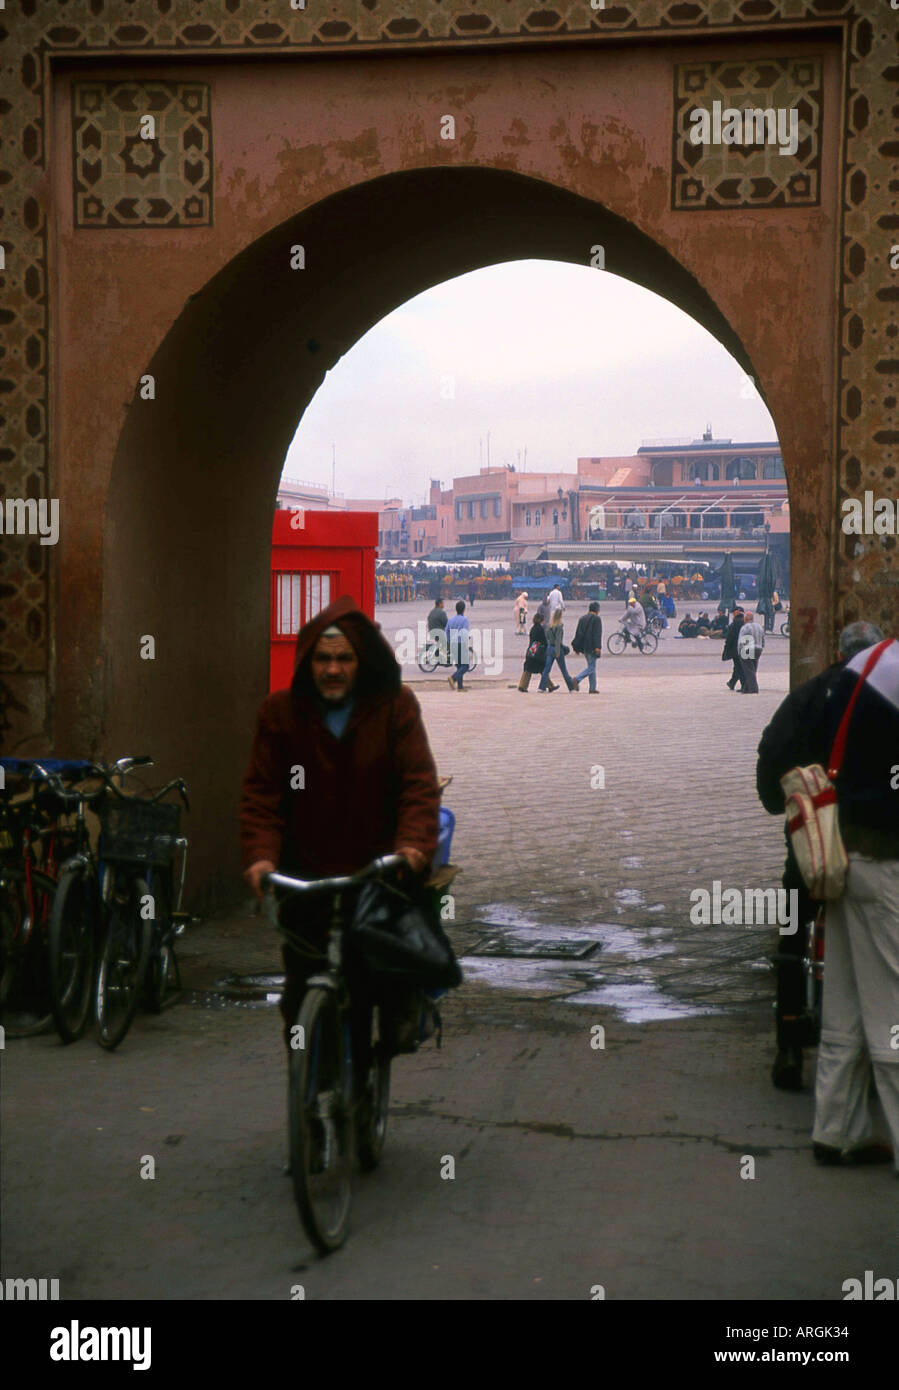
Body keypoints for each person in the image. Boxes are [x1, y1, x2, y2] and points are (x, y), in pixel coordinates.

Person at [240, 596, 440, 1066]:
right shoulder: (279, 714)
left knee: (374, 981)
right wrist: (261, 856)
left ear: (361, 661)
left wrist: (411, 847)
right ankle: (308, 1100)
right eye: (323, 659)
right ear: (308, 662)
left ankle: (373, 1073)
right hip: (305, 877)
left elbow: (418, 786)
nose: (333, 669)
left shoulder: (395, 708)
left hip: (375, 874)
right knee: (301, 994)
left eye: (344, 658)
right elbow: (261, 796)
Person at [756, 621, 885, 1091]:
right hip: (871, 843)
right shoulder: (885, 701)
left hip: (812, 844)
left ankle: (788, 1043)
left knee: (791, 933)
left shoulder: (808, 695)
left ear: (838, 650)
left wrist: (778, 802)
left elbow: (772, 751)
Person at [539, 608, 576, 691]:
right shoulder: (559, 626)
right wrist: (558, 651)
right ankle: (571, 687)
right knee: (563, 670)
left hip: (549, 648)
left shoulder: (549, 625)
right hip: (556, 649)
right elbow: (558, 640)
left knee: (546, 669)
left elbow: (547, 637)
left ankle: (541, 687)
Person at [571, 602, 603, 693]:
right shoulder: (597, 619)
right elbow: (597, 634)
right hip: (592, 646)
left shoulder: (582, 618)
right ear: (597, 610)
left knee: (591, 666)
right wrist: (597, 647)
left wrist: (576, 647)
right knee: (591, 667)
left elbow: (578, 633)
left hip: (584, 647)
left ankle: (592, 688)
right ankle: (577, 679)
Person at [518, 612, 549, 692]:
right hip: (538, 653)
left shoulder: (533, 628)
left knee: (528, 669)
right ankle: (550, 685)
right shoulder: (540, 629)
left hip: (531, 651)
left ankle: (522, 685)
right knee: (542, 669)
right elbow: (544, 641)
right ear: (541, 620)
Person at [445, 599, 471, 691]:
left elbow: (446, 632)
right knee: (465, 666)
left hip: (453, 645)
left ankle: (460, 687)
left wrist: (449, 642)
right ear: (463, 609)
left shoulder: (450, 620)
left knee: (459, 666)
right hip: (461, 644)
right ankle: (453, 678)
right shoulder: (465, 620)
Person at [737, 612, 765, 692]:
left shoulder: (745, 627)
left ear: (745, 619)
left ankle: (753, 689)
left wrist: (740, 651)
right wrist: (761, 647)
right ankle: (746, 688)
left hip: (748, 647)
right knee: (753, 668)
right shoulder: (759, 627)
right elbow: (763, 639)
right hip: (758, 648)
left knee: (748, 670)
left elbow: (741, 641)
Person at [722, 606, 745, 689]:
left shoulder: (736, 622)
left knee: (739, 667)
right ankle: (732, 682)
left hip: (736, 648)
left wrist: (726, 648)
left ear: (738, 612)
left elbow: (730, 637)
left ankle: (744, 685)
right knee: (740, 667)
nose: (733, 615)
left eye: (734, 613)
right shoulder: (747, 621)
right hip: (746, 647)